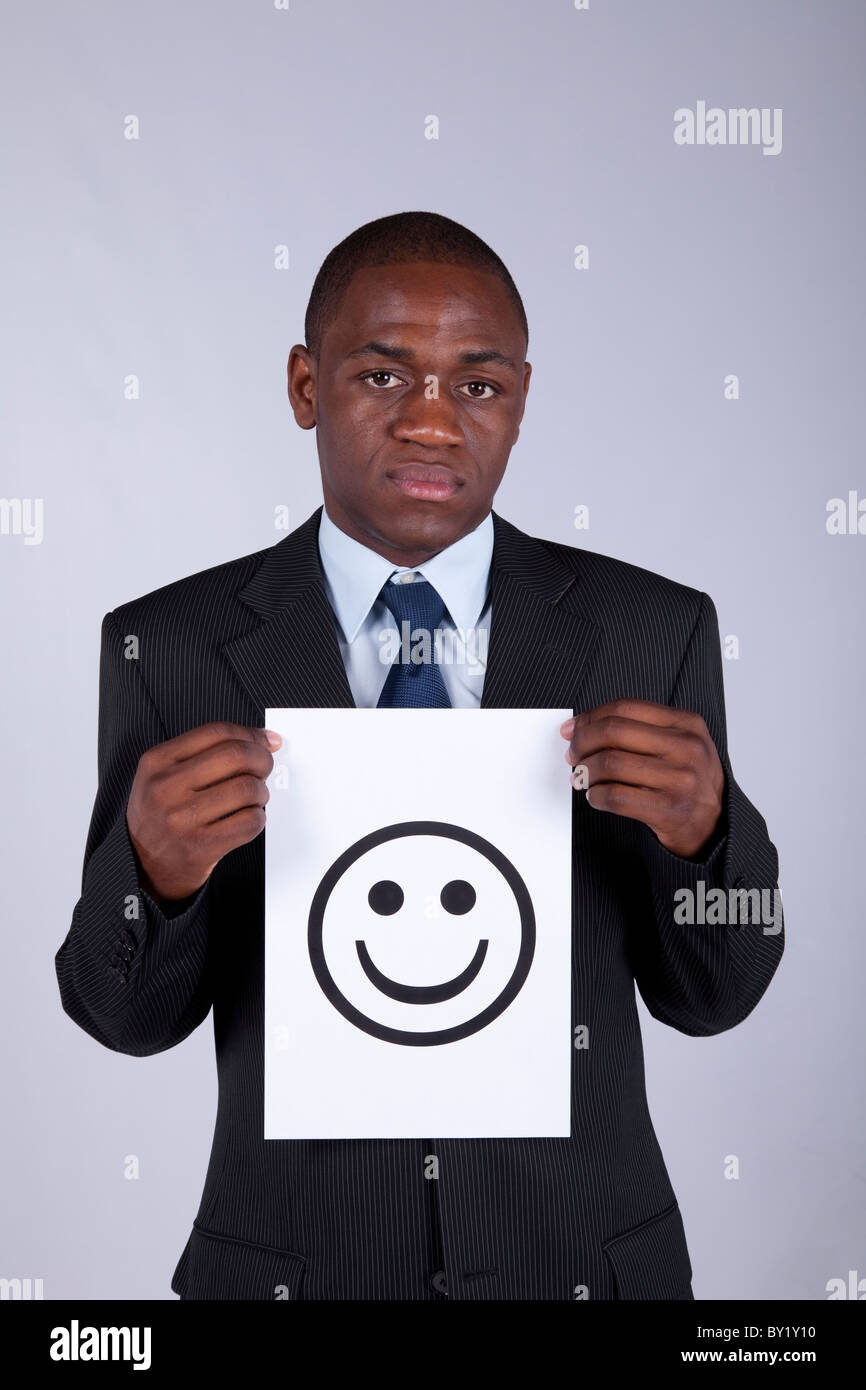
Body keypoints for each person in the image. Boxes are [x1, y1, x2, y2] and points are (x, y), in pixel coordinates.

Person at [56, 210, 784, 1300]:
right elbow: (124, 1017)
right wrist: (149, 879)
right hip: (293, 1272)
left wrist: (707, 842)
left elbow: (713, 996)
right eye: (384, 377)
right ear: (306, 386)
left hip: (582, 1267)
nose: (433, 424)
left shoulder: (649, 631)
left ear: (521, 401)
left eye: (476, 386)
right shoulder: (167, 644)